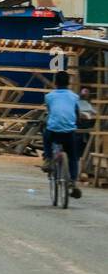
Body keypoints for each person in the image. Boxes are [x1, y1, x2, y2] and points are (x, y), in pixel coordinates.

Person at [42, 70, 83, 198]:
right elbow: (76, 113)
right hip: (69, 132)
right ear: (69, 82)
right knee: (73, 157)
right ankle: (73, 182)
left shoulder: (49, 96)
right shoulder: (74, 96)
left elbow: (50, 111)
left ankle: (48, 159)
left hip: (54, 131)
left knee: (46, 135)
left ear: (55, 82)